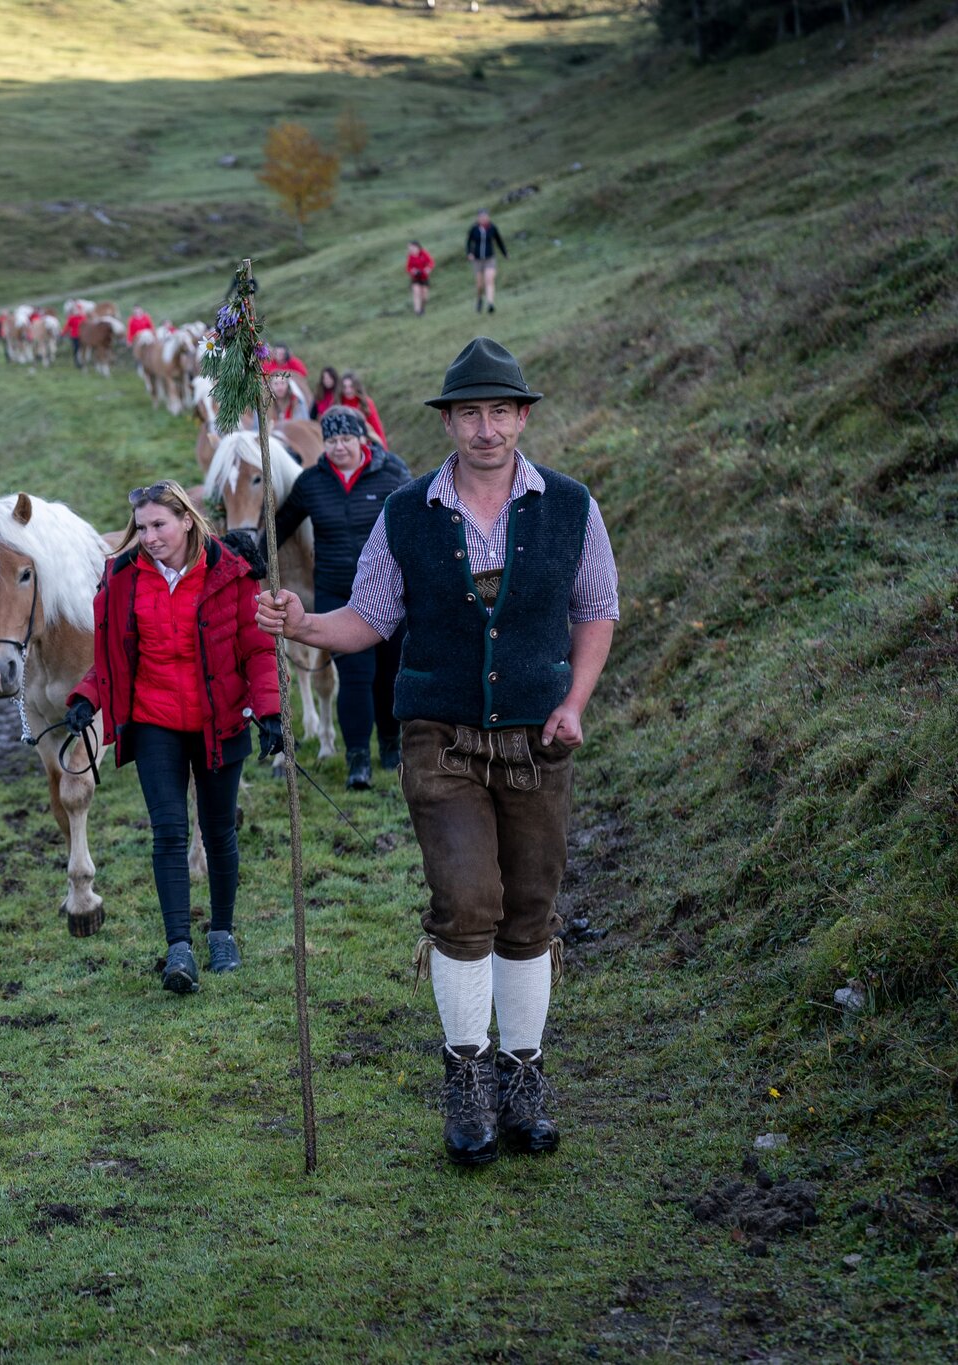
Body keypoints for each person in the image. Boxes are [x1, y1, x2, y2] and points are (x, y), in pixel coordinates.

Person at [256, 337, 619, 1166]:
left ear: (522, 418)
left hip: (538, 738)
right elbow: (368, 618)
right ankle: (466, 1080)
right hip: (440, 738)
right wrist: (303, 623)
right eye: (470, 413)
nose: (486, 428)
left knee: (530, 908)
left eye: (501, 412)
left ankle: (522, 1078)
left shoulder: (571, 506)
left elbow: (596, 608)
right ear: (448, 422)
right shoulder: (406, 512)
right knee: (465, 900)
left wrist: (573, 703)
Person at [65, 482, 283, 995]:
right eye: (141, 528)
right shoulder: (123, 578)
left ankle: (222, 933)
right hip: (155, 721)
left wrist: (270, 711)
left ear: (187, 520)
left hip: (219, 720)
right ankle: (179, 947)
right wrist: (85, 698)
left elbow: (257, 649)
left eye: (159, 525)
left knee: (219, 831)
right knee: (168, 832)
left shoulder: (232, 573)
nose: (149, 537)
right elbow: (112, 658)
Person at [273, 407, 410, 790]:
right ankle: (357, 759)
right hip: (337, 593)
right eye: (331, 440)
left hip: (389, 590)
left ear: (362, 439)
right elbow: (281, 525)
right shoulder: (312, 482)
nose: (338, 447)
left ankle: (391, 745)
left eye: (346, 439)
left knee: (389, 673)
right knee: (354, 675)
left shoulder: (392, 473)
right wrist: (251, 553)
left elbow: (417, 521)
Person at [466, 210, 507, 314]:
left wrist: (504, 253)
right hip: (477, 260)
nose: (484, 219)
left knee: (489, 280)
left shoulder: (492, 228)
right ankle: (480, 299)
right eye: (481, 217)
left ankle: (490, 303)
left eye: (485, 217)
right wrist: (469, 253)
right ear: (478, 219)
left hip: (490, 258)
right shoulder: (474, 229)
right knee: (480, 285)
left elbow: (499, 241)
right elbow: (469, 242)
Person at [335, 371, 388, 445]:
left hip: (367, 444)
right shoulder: (338, 404)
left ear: (356, 387)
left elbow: (377, 427)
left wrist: (383, 447)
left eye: (351, 386)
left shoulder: (366, 402)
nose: (348, 390)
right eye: (345, 387)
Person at [406, 240, 435, 316]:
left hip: (424, 277)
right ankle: (417, 311)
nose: (409, 249)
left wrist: (428, 269)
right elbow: (408, 267)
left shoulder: (423, 253)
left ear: (416, 246)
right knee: (416, 293)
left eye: (411, 247)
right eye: (409, 248)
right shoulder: (410, 256)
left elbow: (431, 262)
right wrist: (413, 271)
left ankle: (422, 308)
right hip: (415, 278)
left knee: (425, 296)